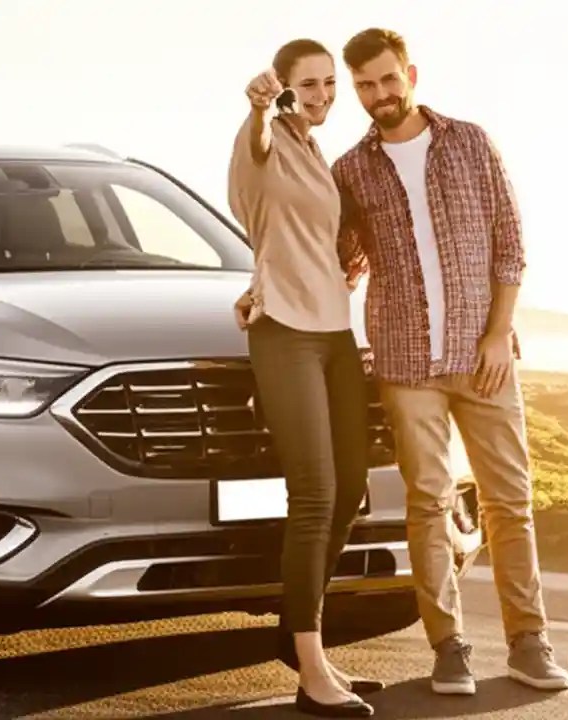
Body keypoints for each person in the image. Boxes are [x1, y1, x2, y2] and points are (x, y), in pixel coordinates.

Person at [329, 28, 568, 696]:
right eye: (364, 86)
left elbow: (510, 245)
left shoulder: (470, 143)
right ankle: (449, 648)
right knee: (428, 502)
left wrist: (499, 333)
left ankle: (529, 642)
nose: (379, 94)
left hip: (482, 355)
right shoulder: (350, 170)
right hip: (405, 362)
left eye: (387, 79)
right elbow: (342, 260)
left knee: (509, 500)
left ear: (410, 74)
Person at [227, 38, 378, 718]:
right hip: (285, 332)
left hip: (336, 333)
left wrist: (351, 255)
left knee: (349, 489)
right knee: (314, 495)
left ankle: (297, 635)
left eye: (329, 84)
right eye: (308, 84)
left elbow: (306, 237)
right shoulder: (263, 140)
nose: (322, 96)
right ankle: (312, 668)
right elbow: (256, 149)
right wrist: (259, 106)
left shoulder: (318, 154)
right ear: (284, 87)